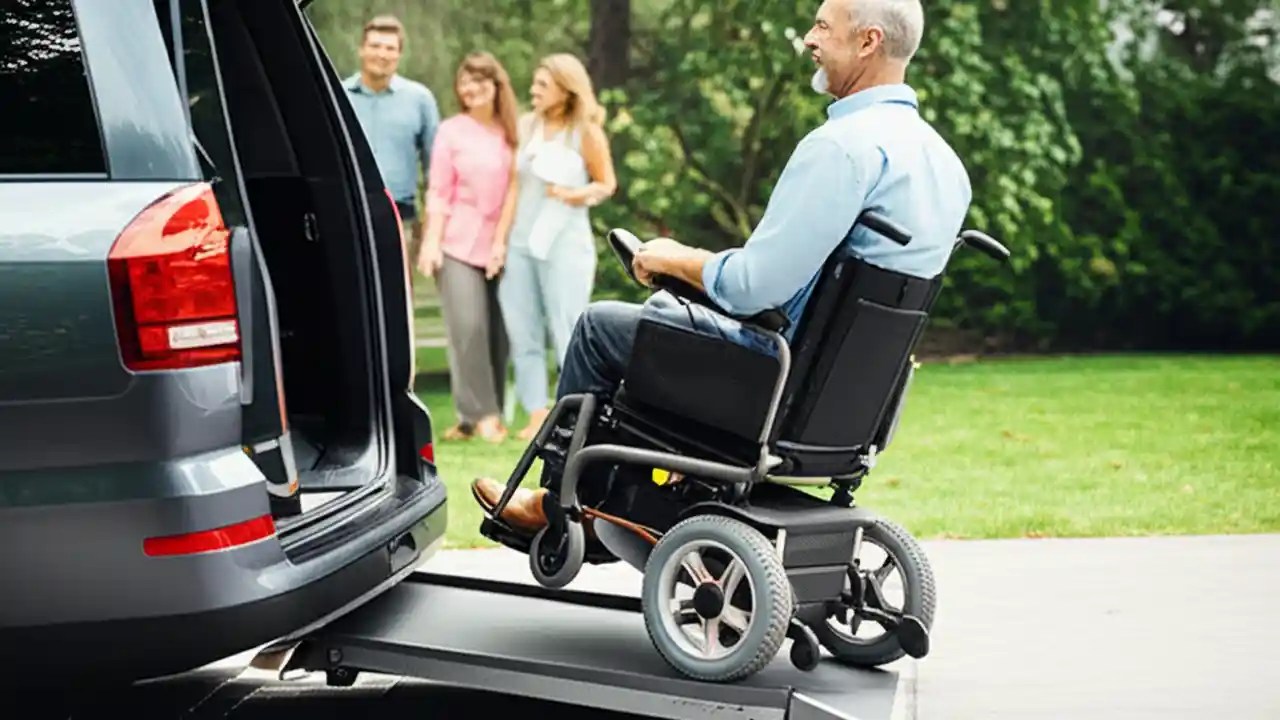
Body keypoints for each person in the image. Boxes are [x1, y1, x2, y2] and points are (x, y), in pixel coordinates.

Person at [473, 0, 973, 532]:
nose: (808, 39)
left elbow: (753, 288)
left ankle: (558, 504)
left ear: (868, 42)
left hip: (773, 381)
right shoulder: (945, 165)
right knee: (661, 317)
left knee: (599, 329)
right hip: (847, 404)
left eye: (823, 27)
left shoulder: (844, 148)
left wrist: (675, 258)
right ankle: (608, 502)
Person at [498, 53, 618, 441]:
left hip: (564, 244)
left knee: (567, 329)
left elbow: (606, 184)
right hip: (521, 243)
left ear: (566, 90)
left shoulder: (585, 131)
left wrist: (573, 193)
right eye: (533, 83)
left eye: (542, 85)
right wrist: (500, 241)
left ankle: (575, 413)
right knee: (523, 330)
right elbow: (515, 186)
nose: (533, 90)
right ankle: (536, 412)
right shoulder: (528, 125)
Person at [416, 52, 521, 442]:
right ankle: (484, 417)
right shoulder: (451, 131)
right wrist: (431, 241)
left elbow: (516, 188)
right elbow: (439, 191)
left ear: (497, 86)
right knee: (468, 328)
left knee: (499, 333)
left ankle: (468, 418)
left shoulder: (512, 132)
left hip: (506, 245)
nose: (471, 88)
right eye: (465, 81)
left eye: (479, 81)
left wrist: (501, 242)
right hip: (457, 244)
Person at [344, 14, 442, 279]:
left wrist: (432, 228)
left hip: (400, 214)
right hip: (348, 210)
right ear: (362, 50)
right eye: (375, 46)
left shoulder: (420, 99)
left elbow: (436, 168)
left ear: (399, 54)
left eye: (390, 48)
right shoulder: (339, 97)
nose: (382, 54)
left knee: (397, 289)